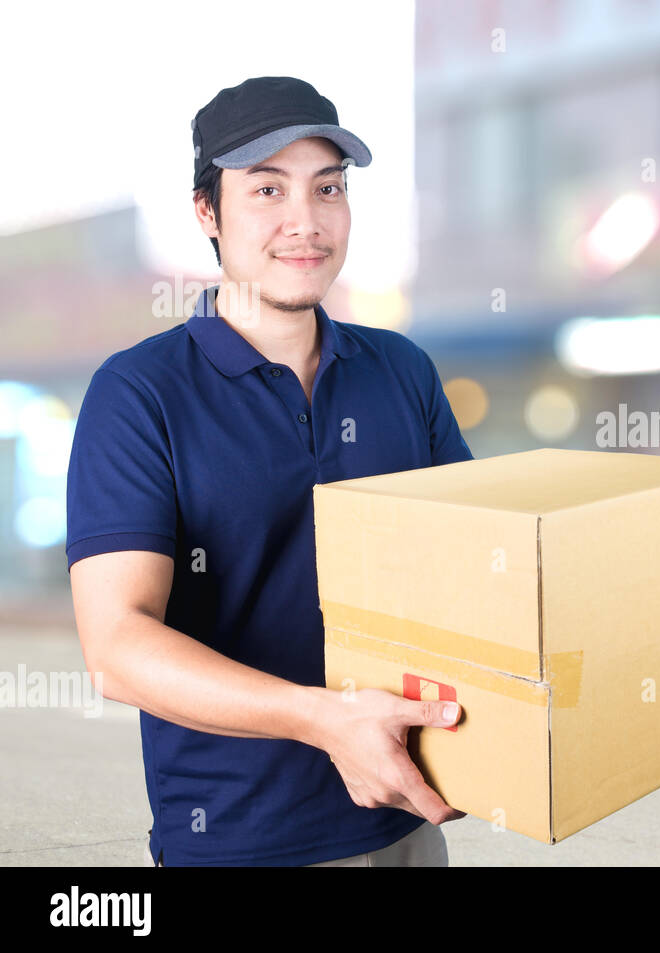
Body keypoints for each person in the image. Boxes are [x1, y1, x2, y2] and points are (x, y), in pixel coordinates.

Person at [66, 76, 472, 866]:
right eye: (266, 189)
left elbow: (468, 573)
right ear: (206, 212)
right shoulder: (139, 393)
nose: (305, 222)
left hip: (408, 818)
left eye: (329, 188)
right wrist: (323, 718)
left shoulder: (401, 370)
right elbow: (116, 648)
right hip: (239, 840)